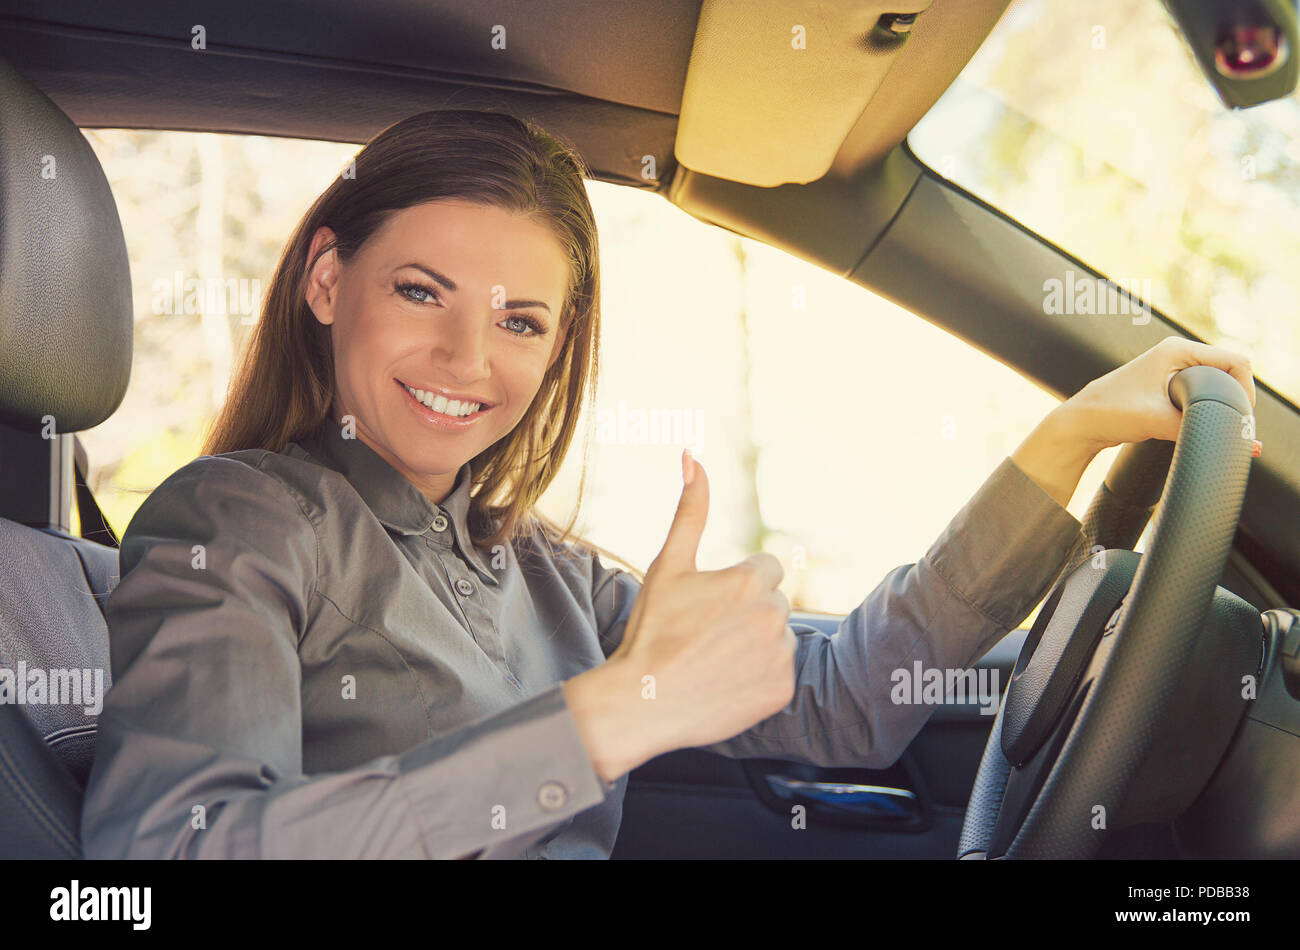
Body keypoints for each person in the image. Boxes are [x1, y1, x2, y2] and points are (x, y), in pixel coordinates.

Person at [80, 109, 1258, 859]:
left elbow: (840, 705)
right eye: (421, 291)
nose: (468, 362)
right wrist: (604, 719)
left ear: (560, 344)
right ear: (329, 281)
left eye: (521, 321)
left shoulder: (532, 562)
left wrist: (1062, 443)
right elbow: (162, 858)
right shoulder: (236, 520)